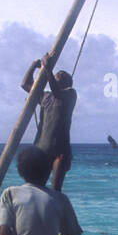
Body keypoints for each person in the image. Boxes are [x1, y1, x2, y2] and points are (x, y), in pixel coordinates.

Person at [20, 52, 77, 187]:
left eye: (62, 76)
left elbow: (57, 91)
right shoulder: (45, 97)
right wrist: (34, 66)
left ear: (68, 83)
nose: (58, 76)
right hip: (41, 149)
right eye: (58, 75)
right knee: (37, 186)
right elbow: (25, 84)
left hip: (60, 151)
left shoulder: (70, 94)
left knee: (55, 189)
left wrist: (48, 69)